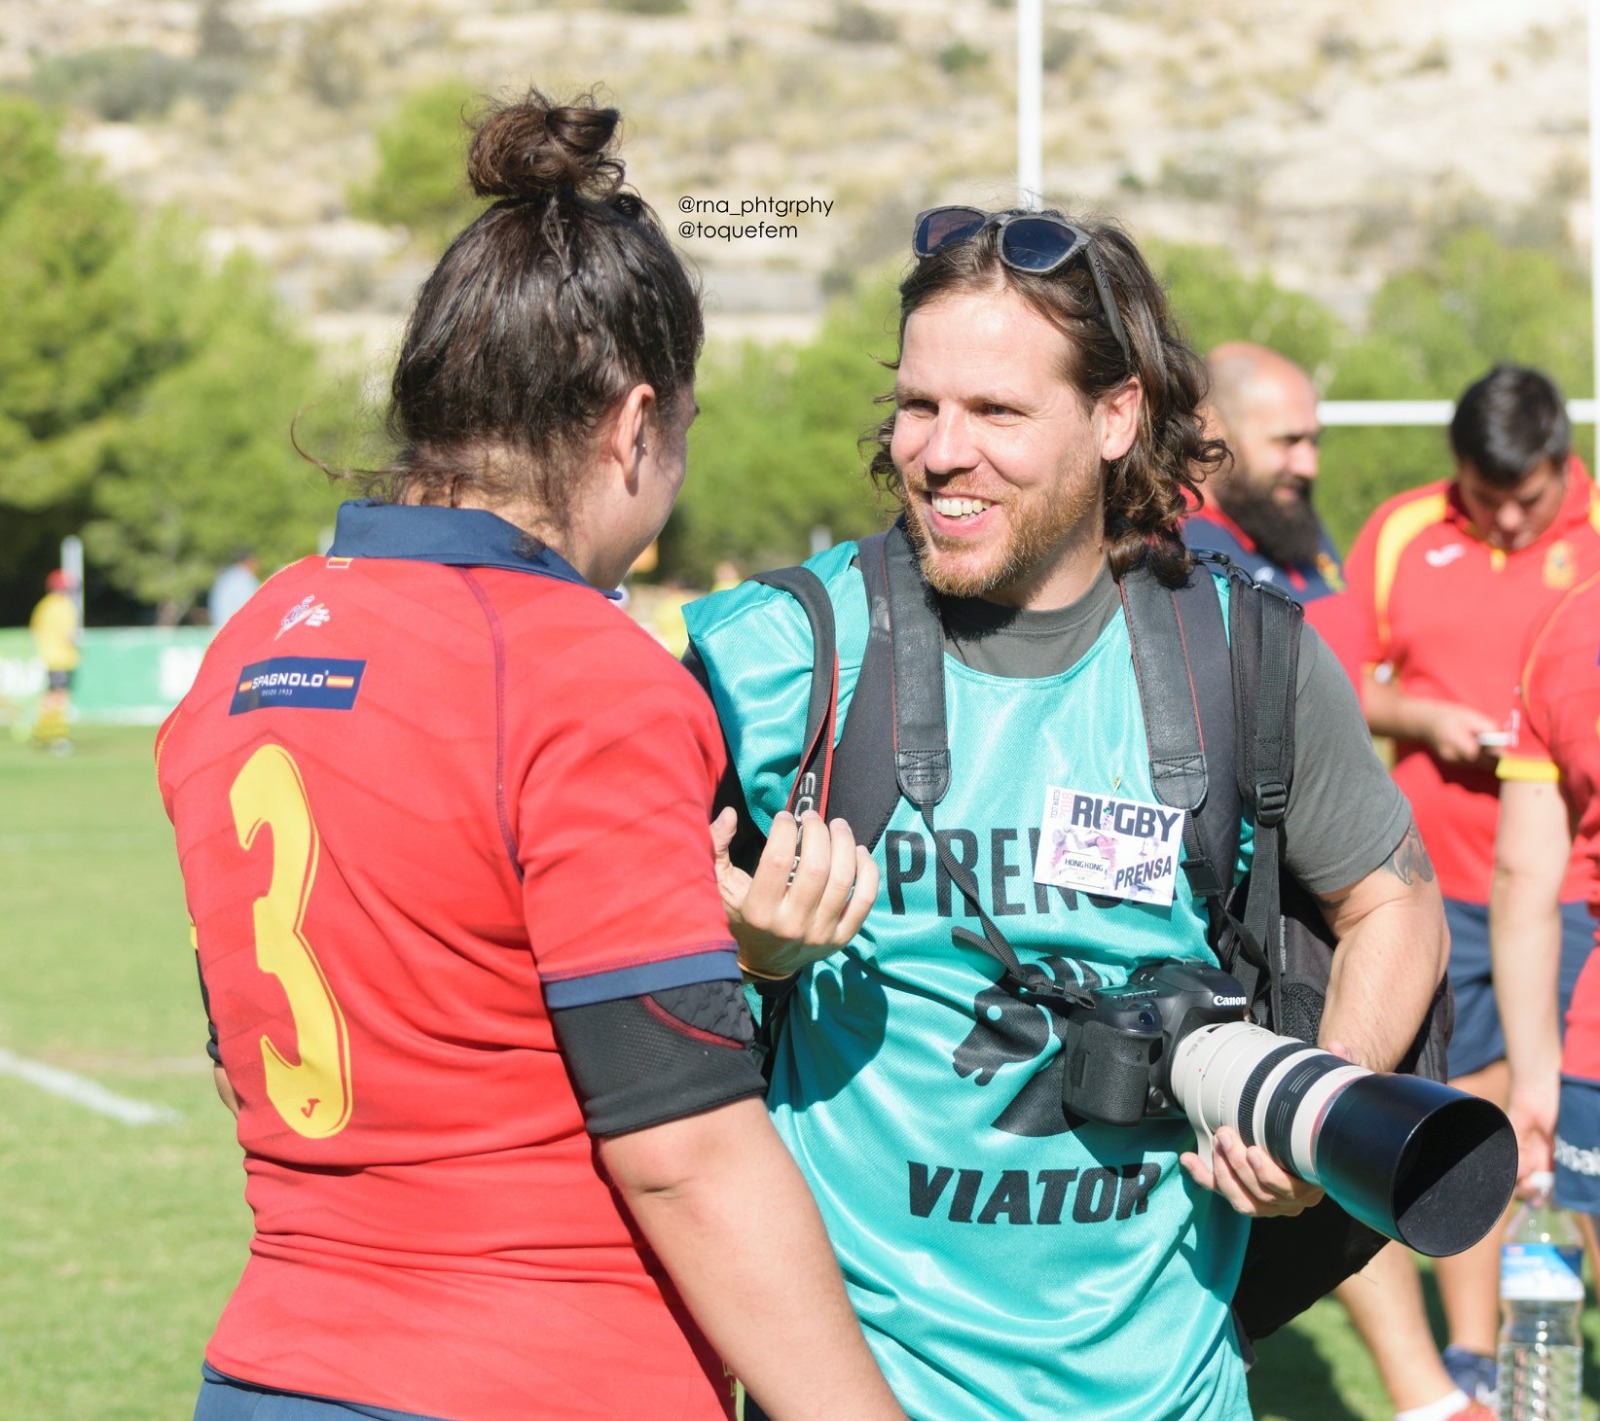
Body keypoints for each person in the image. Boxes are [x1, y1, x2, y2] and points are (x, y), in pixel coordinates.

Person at [155, 90, 901, 1421]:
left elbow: (279, 1040)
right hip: (537, 1374)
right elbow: (683, 1151)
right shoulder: (576, 666)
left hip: (273, 1368)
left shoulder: (251, 641)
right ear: (632, 425)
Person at [684, 203, 1448, 1420]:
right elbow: (605, 966)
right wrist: (744, 950)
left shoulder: (1240, 656)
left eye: (995, 412)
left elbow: (1394, 897)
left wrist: (1320, 1095)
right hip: (856, 1389)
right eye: (919, 404)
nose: (939, 451)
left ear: (1114, 415)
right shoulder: (783, 655)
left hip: (1168, 1389)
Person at [1337, 362, 1600, 1412]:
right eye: (1479, 493)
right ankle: (1477, 1355)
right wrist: (1420, 718)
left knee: (1565, 1120)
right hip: (1442, 882)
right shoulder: (1402, 529)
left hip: (1570, 894)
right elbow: (1331, 672)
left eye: (1522, 497)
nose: (1498, 514)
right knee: (1474, 1118)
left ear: (1560, 466)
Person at [1184, 341, 1344, 599]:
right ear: (1210, 427)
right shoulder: (1173, 550)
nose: (1310, 467)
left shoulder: (1288, 519)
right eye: (1288, 441)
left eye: (1314, 441)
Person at [29, 568, 80, 755]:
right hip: (62, 658)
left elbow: (36, 629)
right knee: (60, 696)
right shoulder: (65, 606)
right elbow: (70, 635)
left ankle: (42, 731)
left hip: (48, 657)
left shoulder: (44, 605)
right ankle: (56, 736)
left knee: (51, 695)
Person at [207, 548, 259, 628]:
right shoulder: (244, 579)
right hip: (235, 627)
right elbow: (250, 606)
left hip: (221, 626)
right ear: (248, 561)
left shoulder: (228, 576)